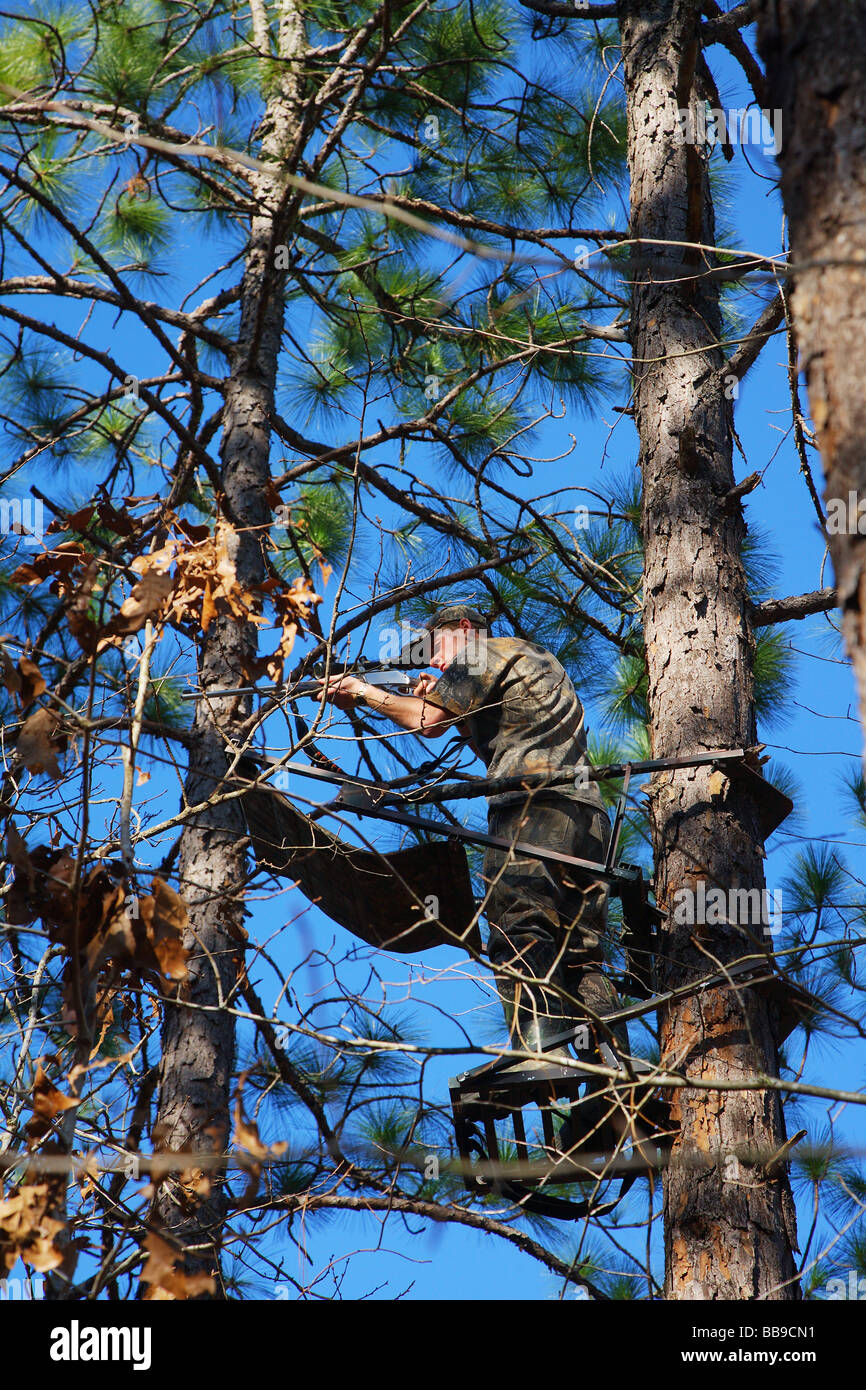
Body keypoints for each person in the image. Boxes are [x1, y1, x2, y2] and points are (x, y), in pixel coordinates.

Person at [318, 602, 632, 1094]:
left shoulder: (482, 651)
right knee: (579, 957)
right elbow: (507, 727)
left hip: (531, 809)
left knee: (517, 924)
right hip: (585, 817)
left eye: (436, 650)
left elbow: (427, 722)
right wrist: (447, 701)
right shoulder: (536, 659)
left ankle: (537, 1054)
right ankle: (618, 1083)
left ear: (463, 629)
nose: (435, 664)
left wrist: (362, 692)